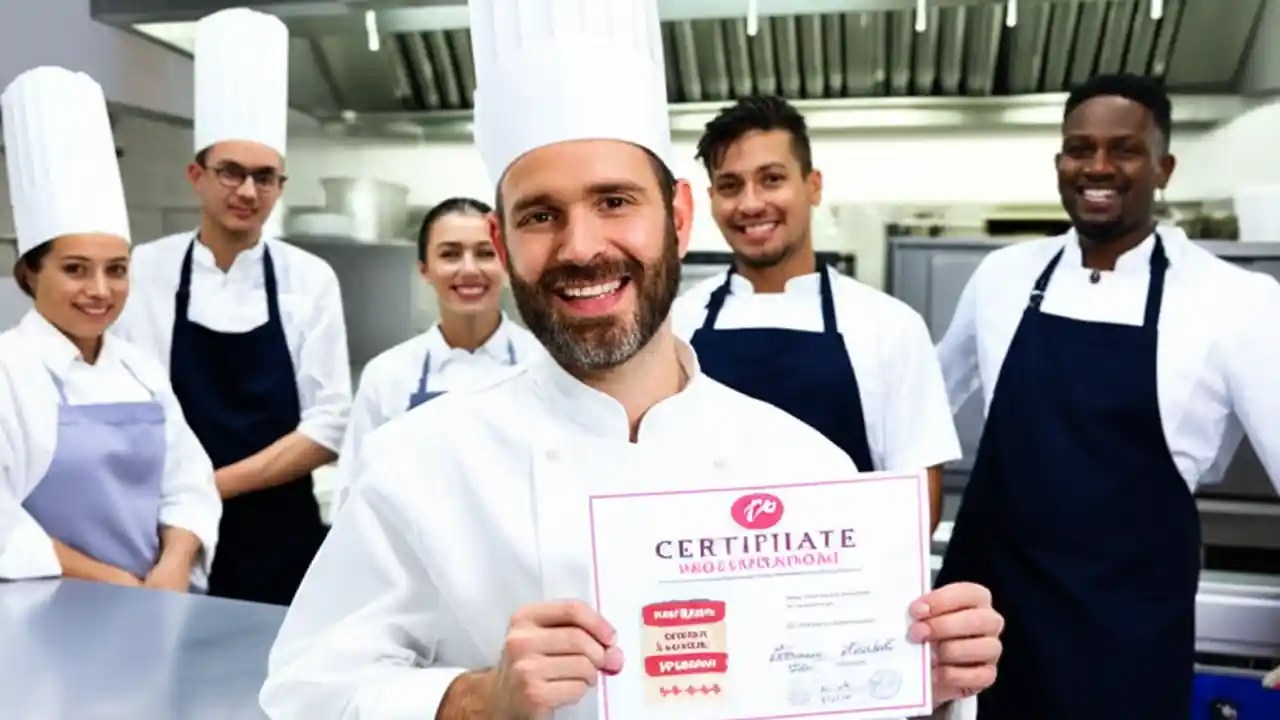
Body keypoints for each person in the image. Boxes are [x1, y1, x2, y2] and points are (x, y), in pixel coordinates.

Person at [259, 1, 1003, 719]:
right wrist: (476, 701)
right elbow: (304, 693)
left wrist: (918, 684)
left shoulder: (804, 464)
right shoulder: (416, 466)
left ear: (677, 218)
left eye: (614, 201)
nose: (581, 247)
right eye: (541, 215)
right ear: (502, 235)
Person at [935, 72, 1280, 719]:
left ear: (1163, 166)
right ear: (1060, 161)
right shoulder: (1004, 276)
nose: (1098, 167)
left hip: (1124, 640)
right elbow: (922, 411)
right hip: (990, 629)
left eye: (1123, 149)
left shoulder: (1236, 301)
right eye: (1079, 147)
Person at [114, 7, 351, 606]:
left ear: (281, 186)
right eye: (231, 173)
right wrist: (186, 502)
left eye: (265, 177)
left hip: (281, 535)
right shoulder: (146, 269)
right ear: (197, 175)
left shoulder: (309, 278)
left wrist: (210, 487)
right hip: (168, 532)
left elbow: (329, 426)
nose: (247, 191)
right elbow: (135, 405)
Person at [671, 95, 960, 529]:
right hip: (709, 583)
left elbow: (917, 507)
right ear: (712, 199)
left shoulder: (888, 326)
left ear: (813, 185)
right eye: (731, 186)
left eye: (771, 179)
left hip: (842, 590)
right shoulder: (677, 325)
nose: (750, 204)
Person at [0, 66, 221, 592]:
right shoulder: (9, 368)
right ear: (30, 273)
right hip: (39, 614)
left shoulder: (138, 369)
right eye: (75, 269)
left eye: (116, 269)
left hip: (147, 603)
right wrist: (113, 580)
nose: (100, 289)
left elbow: (189, 483)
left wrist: (173, 563)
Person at [330, 196, 541, 513]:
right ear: (424, 270)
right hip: (415, 555)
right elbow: (353, 494)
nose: (469, 269)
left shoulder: (546, 365)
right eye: (450, 254)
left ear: (507, 264)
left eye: (485, 253)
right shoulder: (388, 376)